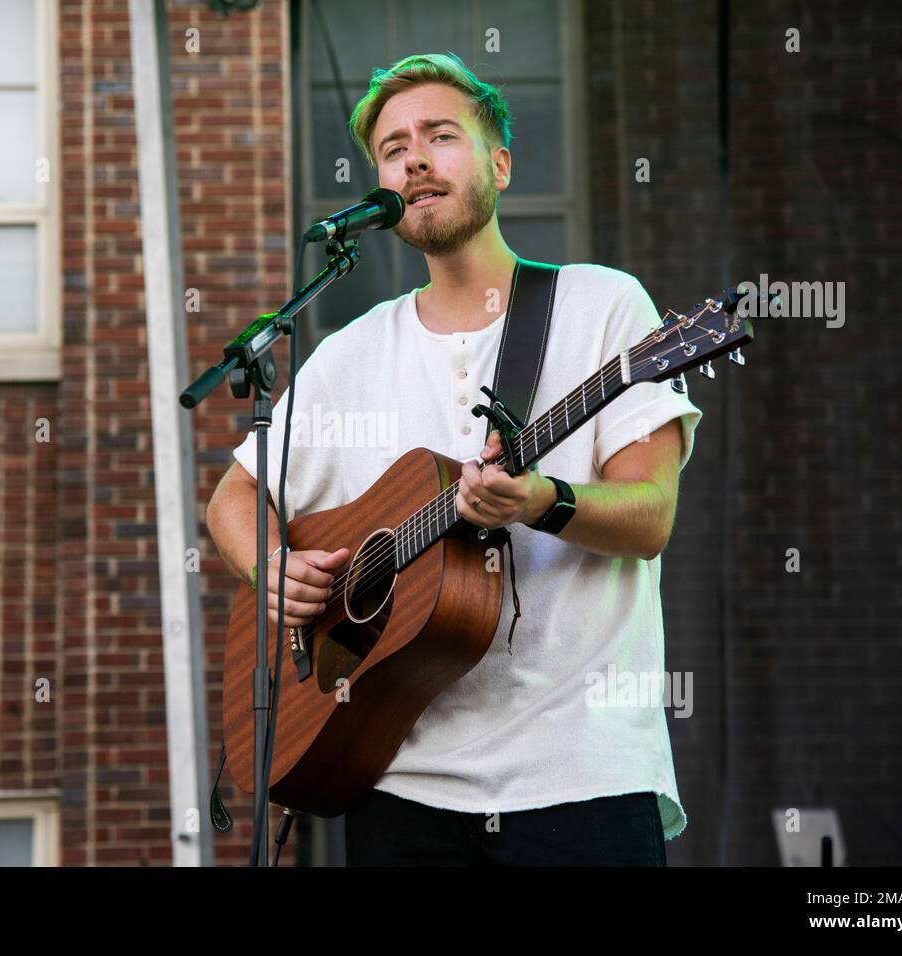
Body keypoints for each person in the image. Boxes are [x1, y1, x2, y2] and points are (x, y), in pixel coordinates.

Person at [205, 52, 702, 866]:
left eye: (441, 134)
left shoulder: (602, 307)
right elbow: (234, 497)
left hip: (579, 778)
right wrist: (272, 564)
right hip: (397, 776)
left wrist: (541, 498)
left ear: (499, 163)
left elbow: (650, 516)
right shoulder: (348, 353)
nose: (416, 158)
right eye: (394, 148)